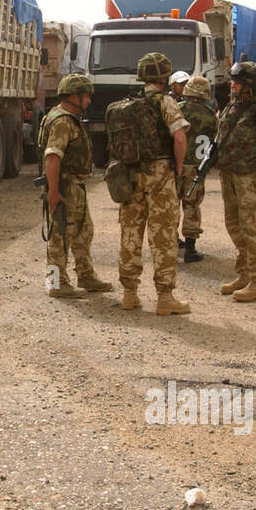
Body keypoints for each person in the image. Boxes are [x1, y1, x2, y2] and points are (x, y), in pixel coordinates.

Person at [105, 52, 190, 314]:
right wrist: (177, 169)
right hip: (159, 173)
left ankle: (130, 294)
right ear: (164, 77)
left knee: (130, 233)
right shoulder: (165, 102)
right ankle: (165, 298)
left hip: (131, 175)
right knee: (163, 235)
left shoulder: (127, 105)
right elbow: (179, 138)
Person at [39, 74, 114, 298]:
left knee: (83, 232)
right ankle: (55, 283)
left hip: (75, 186)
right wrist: (53, 191)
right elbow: (52, 157)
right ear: (74, 96)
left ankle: (86, 275)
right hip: (65, 185)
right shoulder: (62, 121)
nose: (89, 101)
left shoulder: (67, 117)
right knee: (60, 235)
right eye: (86, 97)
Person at [216, 61, 256, 301]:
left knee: (254, 227)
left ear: (249, 86)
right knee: (235, 225)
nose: (232, 86)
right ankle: (245, 274)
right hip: (230, 173)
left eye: (237, 82)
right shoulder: (235, 106)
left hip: (250, 176)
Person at [176, 75, 217, 262]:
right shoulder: (211, 115)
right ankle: (190, 248)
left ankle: (170, 242)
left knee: (171, 204)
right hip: (197, 167)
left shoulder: (177, 109)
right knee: (192, 206)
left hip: (176, 165)